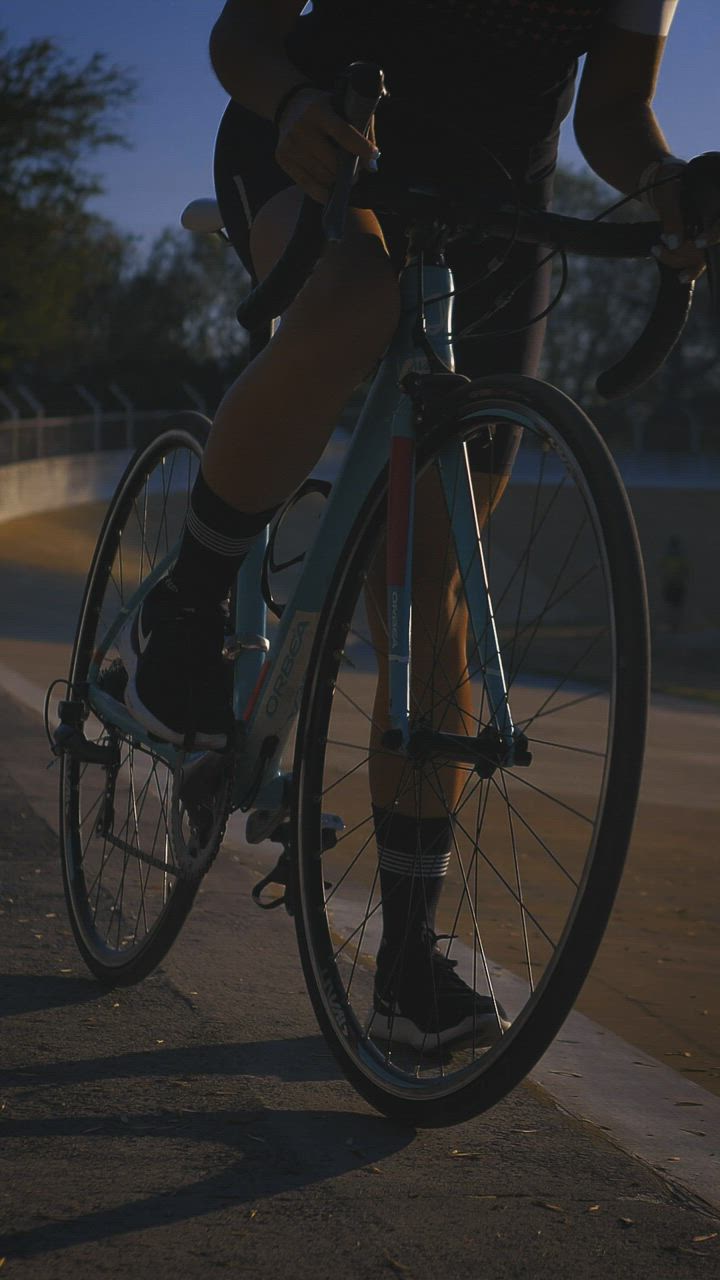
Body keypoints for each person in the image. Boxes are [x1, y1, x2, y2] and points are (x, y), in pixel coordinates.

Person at [120, 0, 715, 1048]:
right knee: (351, 298)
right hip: (315, 135)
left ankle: (406, 960)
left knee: (435, 566)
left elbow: (616, 108)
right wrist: (292, 98)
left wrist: (667, 183)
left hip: (494, 202)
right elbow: (239, 36)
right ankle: (195, 595)